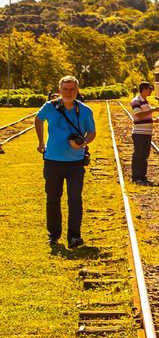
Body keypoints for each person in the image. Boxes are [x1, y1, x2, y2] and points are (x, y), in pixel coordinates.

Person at [35, 76, 96, 249]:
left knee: (75, 199)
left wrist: (83, 143)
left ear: (77, 90)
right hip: (52, 161)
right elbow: (38, 119)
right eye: (66, 89)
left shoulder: (85, 110)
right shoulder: (50, 107)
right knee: (53, 199)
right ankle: (53, 235)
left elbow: (92, 132)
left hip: (75, 163)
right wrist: (41, 142)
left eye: (72, 89)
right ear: (60, 90)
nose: (69, 92)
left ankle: (74, 237)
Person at [130, 81, 159, 184]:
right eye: (149, 89)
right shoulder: (136, 101)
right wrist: (154, 109)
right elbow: (138, 115)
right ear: (144, 89)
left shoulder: (145, 101)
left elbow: (144, 117)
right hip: (139, 133)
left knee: (144, 156)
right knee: (138, 155)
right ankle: (136, 177)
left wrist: (153, 120)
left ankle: (142, 176)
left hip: (146, 133)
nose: (151, 91)